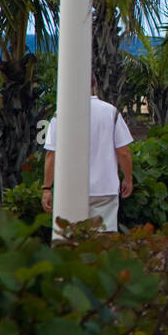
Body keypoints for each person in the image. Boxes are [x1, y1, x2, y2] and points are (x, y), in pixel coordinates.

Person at [41, 77, 134, 232]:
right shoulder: (111, 112)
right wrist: (128, 179)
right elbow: (123, 152)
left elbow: (52, 154)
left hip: (70, 189)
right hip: (105, 188)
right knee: (104, 239)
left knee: (72, 239)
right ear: (94, 85)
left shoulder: (61, 114)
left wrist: (46, 188)